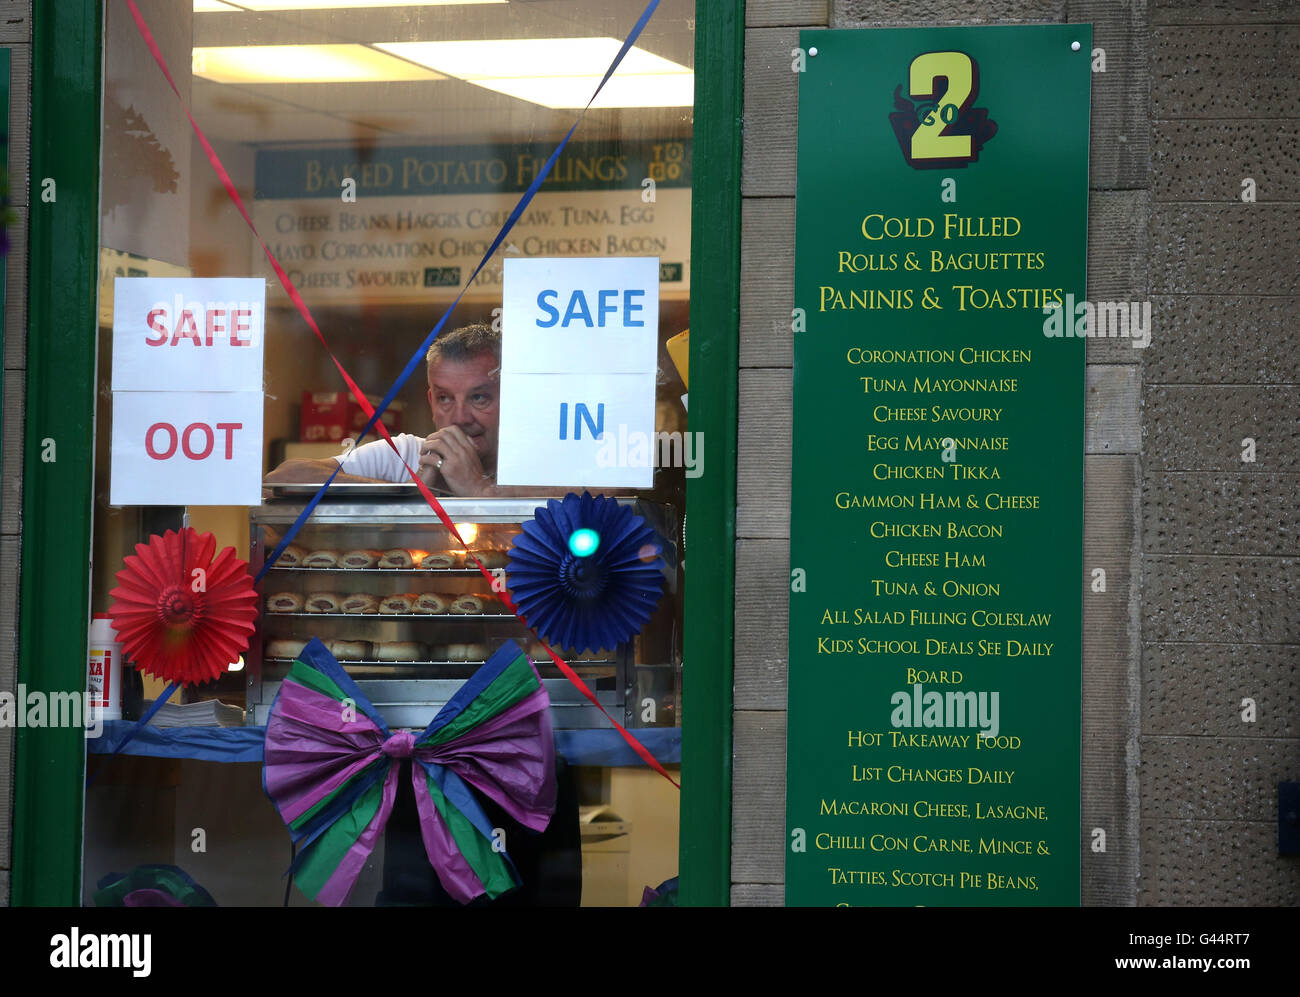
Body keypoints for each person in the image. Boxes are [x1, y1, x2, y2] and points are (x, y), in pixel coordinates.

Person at [266, 322, 559, 497]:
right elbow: (281, 478)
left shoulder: (540, 467)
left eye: (479, 398)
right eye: (445, 398)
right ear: (431, 402)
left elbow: (601, 500)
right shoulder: (404, 453)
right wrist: (412, 490)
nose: (459, 417)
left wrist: (479, 492)